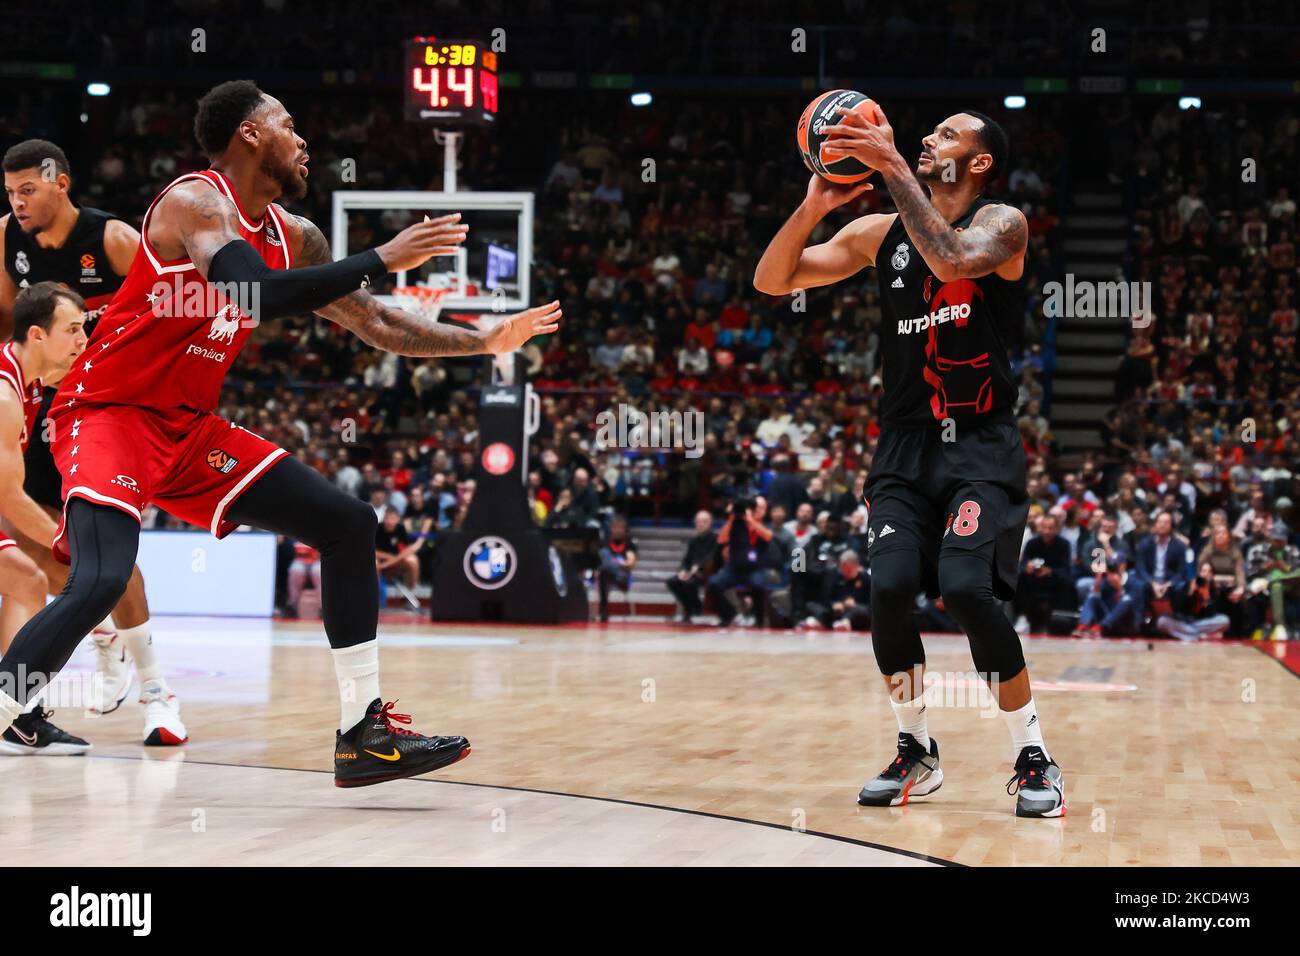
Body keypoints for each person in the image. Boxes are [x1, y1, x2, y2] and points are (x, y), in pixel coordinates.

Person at [0, 80, 561, 787]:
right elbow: (250, 294)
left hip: (186, 428)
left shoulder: (294, 236)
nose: (304, 140)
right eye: (288, 124)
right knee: (102, 577)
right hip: (108, 410)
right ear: (252, 135)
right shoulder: (193, 202)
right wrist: (382, 257)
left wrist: (480, 342)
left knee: (348, 522)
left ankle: (362, 735)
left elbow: (379, 322)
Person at [755, 105, 1063, 815]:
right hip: (902, 447)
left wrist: (891, 165)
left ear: (980, 162)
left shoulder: (1002, 224)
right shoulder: (874, 234)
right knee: (889, 588)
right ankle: (916, 752)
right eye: (928, 134)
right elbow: (775, 281)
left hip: (980, 446)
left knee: (963, 589)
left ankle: (1033, 753)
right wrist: (811, 207)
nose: (927, 138)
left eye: (948, 135)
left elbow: (951, 260)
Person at [1, 140, 186, 746]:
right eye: (10, 192)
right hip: (36, 402)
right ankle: (100, 647)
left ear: (61, 183)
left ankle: (156, 694)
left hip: (102, 413)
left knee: (107, 560)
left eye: (28, 189)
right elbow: (12, 322)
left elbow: (167, 317)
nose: (17, 202)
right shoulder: (5, 239)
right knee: (41, 562)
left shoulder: (114, 240)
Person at [707, 497, 772, 627]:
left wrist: (750, 520)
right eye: (756, 507)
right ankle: (728, 613)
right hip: (734, 568)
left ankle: (759, 619)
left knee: (758, 585)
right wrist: (732, 518)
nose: (757, 510)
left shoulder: (761, 525)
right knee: (714, 583)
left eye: (761, 508)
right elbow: (721, 540)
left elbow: (768, 536)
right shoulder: (735, 523)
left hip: (755, 568)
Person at [1075, 553, 1146, 636]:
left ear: (1123, 566)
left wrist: (1119, 588)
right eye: (1111, 567)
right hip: (1110, 621)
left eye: (1115, 567)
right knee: (1093, 596)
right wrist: (1098, 580)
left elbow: (1133, 609)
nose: (1113, 570)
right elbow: (1094, 595)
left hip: (1128, 624)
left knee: (1126, 600)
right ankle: (1083, 626)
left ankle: (1100, 627)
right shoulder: (1107, 581)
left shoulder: (1135, 584)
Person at [665, 509, 717, 624]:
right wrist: (683, 570)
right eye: (698, 521)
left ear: (710, 523)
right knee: (672, 581)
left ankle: (696, 608)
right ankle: (690, 608)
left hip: (707, 573)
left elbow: (712, 557)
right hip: (691, 573)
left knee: (688, 583)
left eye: (704, 521)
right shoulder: (693, 541)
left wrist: (698, 567)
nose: (700, 524)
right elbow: (686, 560)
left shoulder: (715, 539)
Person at [803, 549, 871, 631]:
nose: (845, 572)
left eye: (848, 569)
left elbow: (870, 604)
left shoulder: (866, 578)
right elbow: (826, 598)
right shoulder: (835, 576)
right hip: (837, 611)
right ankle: (824, 623)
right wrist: (834, 604)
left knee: (859, 611)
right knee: (811, 605)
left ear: (856, 566)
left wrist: (855, 604)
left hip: (856, 612)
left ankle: (843, 622)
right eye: (843, 568)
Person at [596, 515, 637, 622]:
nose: (617, 530)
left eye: (620, 528)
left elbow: (630, 563)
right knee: (604, 567)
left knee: (605, 558)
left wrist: (617, 563)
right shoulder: (604, 543)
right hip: (606, 576)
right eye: (615, 527)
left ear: (625, 530)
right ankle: (604, 608)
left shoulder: (629, 545)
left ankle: (603, 607)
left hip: (622, 577)